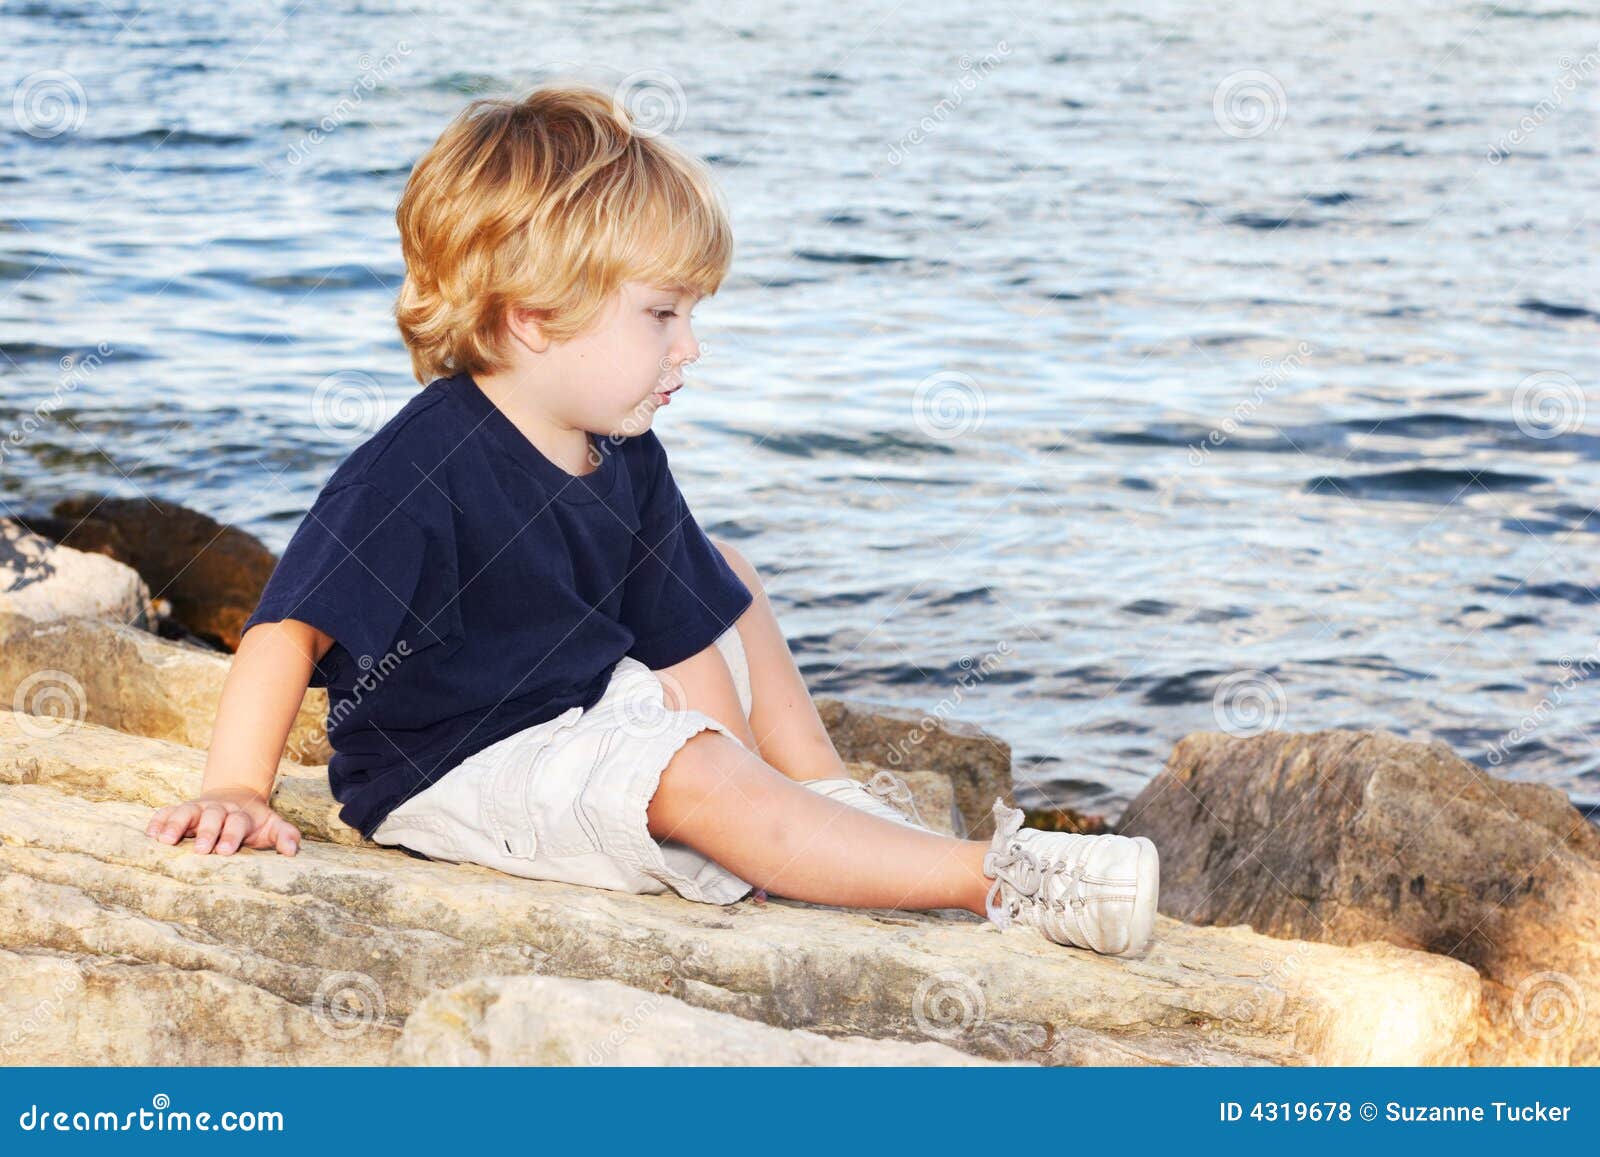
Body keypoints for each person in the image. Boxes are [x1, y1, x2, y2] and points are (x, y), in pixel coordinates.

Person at [144, 84, 1159, 957]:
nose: (691, 349)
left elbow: (681, 632)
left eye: (692, 316)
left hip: (575, 711)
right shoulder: (418, 467)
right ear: (533, 313)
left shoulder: (619, 449)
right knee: (700, 771)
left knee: (727, 572)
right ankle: (1000, 881)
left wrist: (747, 785)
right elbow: (288, 625)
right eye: (662, 315)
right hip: (452, 769)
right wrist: (240, 785)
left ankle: (821, 795)